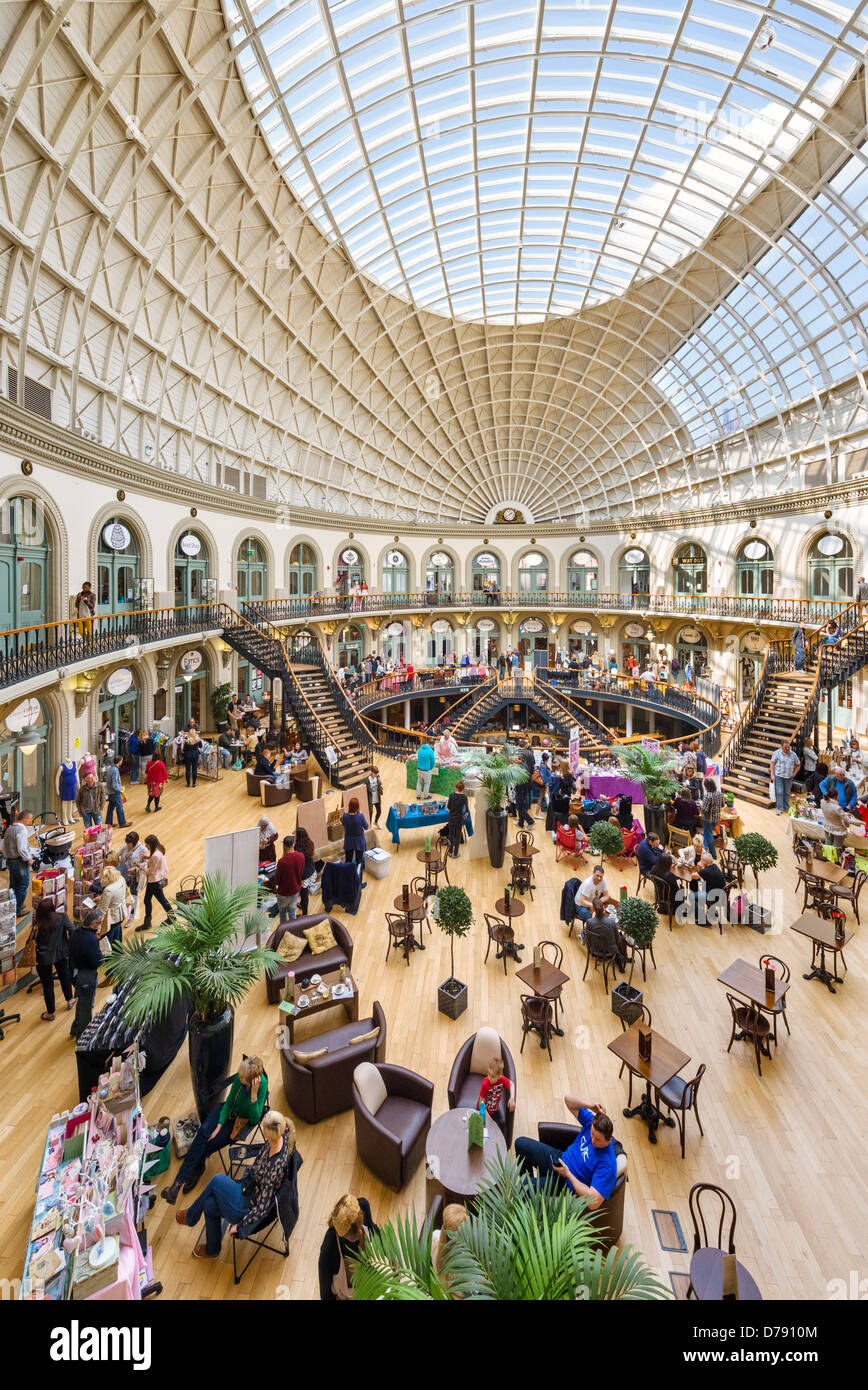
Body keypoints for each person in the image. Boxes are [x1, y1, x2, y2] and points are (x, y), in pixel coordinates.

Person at [176, 1111, 294, 1260]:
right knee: (209, 1205)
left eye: (264, 1127)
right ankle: (213, 1250)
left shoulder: (275, 1167)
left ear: (268, 1134)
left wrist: (240, 1226)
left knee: (217, 1180)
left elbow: (262, 1208)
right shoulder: (277, 1139)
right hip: (247, 1188)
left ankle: (191, 1216)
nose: (262, 1129)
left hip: (246, 1207)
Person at [162, 1056, 268, 1203]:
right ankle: (177, 1183)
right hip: (226, 1112)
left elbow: (255, 1119)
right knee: (204, 1131)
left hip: (238, 1123)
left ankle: (197, 1169)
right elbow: (229, 1102)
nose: (238, 1077)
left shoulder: (262, 1085)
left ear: (251, 1080)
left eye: (242, 1077)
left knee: (207, 1144)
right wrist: (218, 1126)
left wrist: (253, 1097)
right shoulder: (240, 1076)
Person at [515, 1099, 617, 1207]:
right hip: (560, 1158)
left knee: (524, 1186)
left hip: (566, 1183)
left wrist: (568, 1174)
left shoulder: (608, 1165)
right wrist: (590, 1106)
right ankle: (528, 1197)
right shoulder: (591, 1122)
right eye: (592, 1134)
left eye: (598, 1140)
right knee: (520, 1144)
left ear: (609, 1140)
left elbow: (593, 1203)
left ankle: (526, 1192)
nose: (592, 1140)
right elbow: (568, 1100)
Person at [318, 1193, 379, 1300]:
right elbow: (325, 1292)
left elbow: (373, 1228)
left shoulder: (363, 1206)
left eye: (359, 1229)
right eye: (348, 1234)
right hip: (347, 1291)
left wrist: (393, 1263)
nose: (358, 1235)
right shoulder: (329, 1245)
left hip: (367, 1278)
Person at [34, 899, 74, 1021]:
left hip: (43, 957)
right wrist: (68, 944)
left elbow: (32, 941)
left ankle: (50, 1013)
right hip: (60, 953)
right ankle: (70, 999)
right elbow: (72, 930)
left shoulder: (38, 923)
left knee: (47, 986)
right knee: (64, 976)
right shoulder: (62, 917)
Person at [69, 908, 104, 1038]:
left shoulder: (76, 933)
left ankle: (75, 1027)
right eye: (99, 923)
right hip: (87, 976)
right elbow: (96, 962)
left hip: (75, 973)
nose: (99, 926)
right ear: (93, 924)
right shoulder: (92, 940)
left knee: (81, 1002)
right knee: (87, 1006)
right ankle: (82, 1034)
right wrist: (102, 956)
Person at [3, 808, 35, 917]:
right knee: (23, 885)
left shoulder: (9, 829)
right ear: (25, 819)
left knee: (13, 884)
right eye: (30, 819)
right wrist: (29, 859)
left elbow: (4, 847)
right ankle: (18, 909)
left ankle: (11, 906)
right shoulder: (21, 830)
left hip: (10, 861)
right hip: (19, 862)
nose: (30, 822)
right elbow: (22, 848)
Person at [138, 834, 171, 932]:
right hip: (158, 878)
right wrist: (148, 857)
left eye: (147, 844)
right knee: (148, 900)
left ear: (151, 844)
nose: (145, 845)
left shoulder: (155, 856)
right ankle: (148, 922)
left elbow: (151, 871)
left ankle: (171, 918)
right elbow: (156, 860)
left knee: (161, 900)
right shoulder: (160, 849)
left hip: (154, 881)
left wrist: (142, 867)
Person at [584, 901, 627, 971]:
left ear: (594, 910)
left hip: (594, 951)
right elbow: (618, 940)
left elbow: (588, 937)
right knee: (621, 937)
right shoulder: (611, 922)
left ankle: (620, 957)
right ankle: (621, 959)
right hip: (610, 952)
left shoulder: (589, 922)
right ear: (604, 910)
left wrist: (592, 917)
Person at [478, 1055, 516, 1132]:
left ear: (499, 1076)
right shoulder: (485, 1083)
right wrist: (487, 1116)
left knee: (495, 1130)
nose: (489, 1077)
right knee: (482, 1129)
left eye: (492, 1076)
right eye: (488, 1074)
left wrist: (512, 1098)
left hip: (494, 1111)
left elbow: (512, 1084)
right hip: (483, 1111)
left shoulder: (502, 1080)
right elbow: (481, 1103)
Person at [96, 864, 128, 950]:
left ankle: (109, 960)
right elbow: (117, 896)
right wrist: (101, 898)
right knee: (117, 937)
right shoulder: (121, 879)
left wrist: (99, 930)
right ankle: (118, 954)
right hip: (121, 914)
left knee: (107, 941)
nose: (100, 881)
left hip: (112, 919)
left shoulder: (108, 890)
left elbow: (102, 911)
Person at [274, 834, 305, 921]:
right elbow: (301, 872)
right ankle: (293, 930)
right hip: (295, 890)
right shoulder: (301, 856)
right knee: (292, 912)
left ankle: (284, 931)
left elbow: (277, 881)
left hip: (283, 893)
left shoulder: (282, 862)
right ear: (293, 844)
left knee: (283, 913)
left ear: (283, 845)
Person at [119, 830, 148, 920]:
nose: (127, 845)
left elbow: (145, 862)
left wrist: (135, 868)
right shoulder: (125, 846)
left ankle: (131, 917)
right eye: (127, 843)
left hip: (135, 875)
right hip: (124, 874)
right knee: (121, 893)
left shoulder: (143, 849)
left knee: (133, 895)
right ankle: (123, 912)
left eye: (129, 843)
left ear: (134, 842)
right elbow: (117, 853)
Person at [769, 739, 801, 816]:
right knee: (779, 792)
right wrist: (772, 774)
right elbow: (772, 764)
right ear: (782, 747)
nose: (787, 749)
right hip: (779, 776)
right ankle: (779, 808)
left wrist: (794, 774)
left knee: (787, 793)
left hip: (789, 777)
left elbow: (798, 765)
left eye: (788, 747)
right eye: (785, 747)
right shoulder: (776, 753)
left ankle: (786, 807)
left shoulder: (793, 754)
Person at [341, 797, 369, 878]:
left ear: (349, 806)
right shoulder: (360, 816)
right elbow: (366, 827)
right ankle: (358, 882)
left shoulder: (345, 816)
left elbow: (343, 824)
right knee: (359, 862)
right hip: (359, 842)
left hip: (349, 841)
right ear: (357, 807)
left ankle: (348, 879)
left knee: (348, 861)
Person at [294, 827, 319, 915]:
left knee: (304, 894)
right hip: (311, 869)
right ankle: (302, 904)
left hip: (304, 873)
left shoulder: (298, 847)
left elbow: (298, 862)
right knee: (304, 892)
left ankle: (305, 913)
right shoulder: (309, 842)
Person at [514, 742, 536, 829]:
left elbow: (523, 779)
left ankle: (531, 822)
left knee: (519, 807)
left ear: (520, 760)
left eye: (516, 759)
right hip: (523, 788)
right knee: (521, 806)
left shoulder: (523, 767)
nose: (515, 760)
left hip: (521, 788)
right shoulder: (523, 765)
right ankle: (520, 823)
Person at [700, 776, 724, 857]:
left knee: (708, 834)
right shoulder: (720, 794)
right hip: (717, 818)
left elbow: (704, 810)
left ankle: (713, 853)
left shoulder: (708, 796)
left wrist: (701, 805)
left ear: (707, 786)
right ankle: (705, 848)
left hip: (708, 819)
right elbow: (723, 805)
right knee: (707, 832)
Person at [103, 755, 128, 828]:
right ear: (119, 761)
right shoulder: (115, 770)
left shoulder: (110, 769)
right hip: (115, 792)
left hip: (110, 792)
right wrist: (119, 789)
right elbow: (114, 783)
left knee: (110, 808)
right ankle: (122, 822)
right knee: (119, 807)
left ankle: (108, 823)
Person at [446, 779, 468, 858]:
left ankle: (450, 851)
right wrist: (465, 814)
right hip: (459, 819)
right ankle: (455, 853)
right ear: (462, 789)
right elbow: (466, 810)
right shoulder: (464, 797)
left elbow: (448, 808)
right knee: (458, 836)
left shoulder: (451, 795)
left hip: (451, 818)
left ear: (456, 788)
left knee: (451, 835)